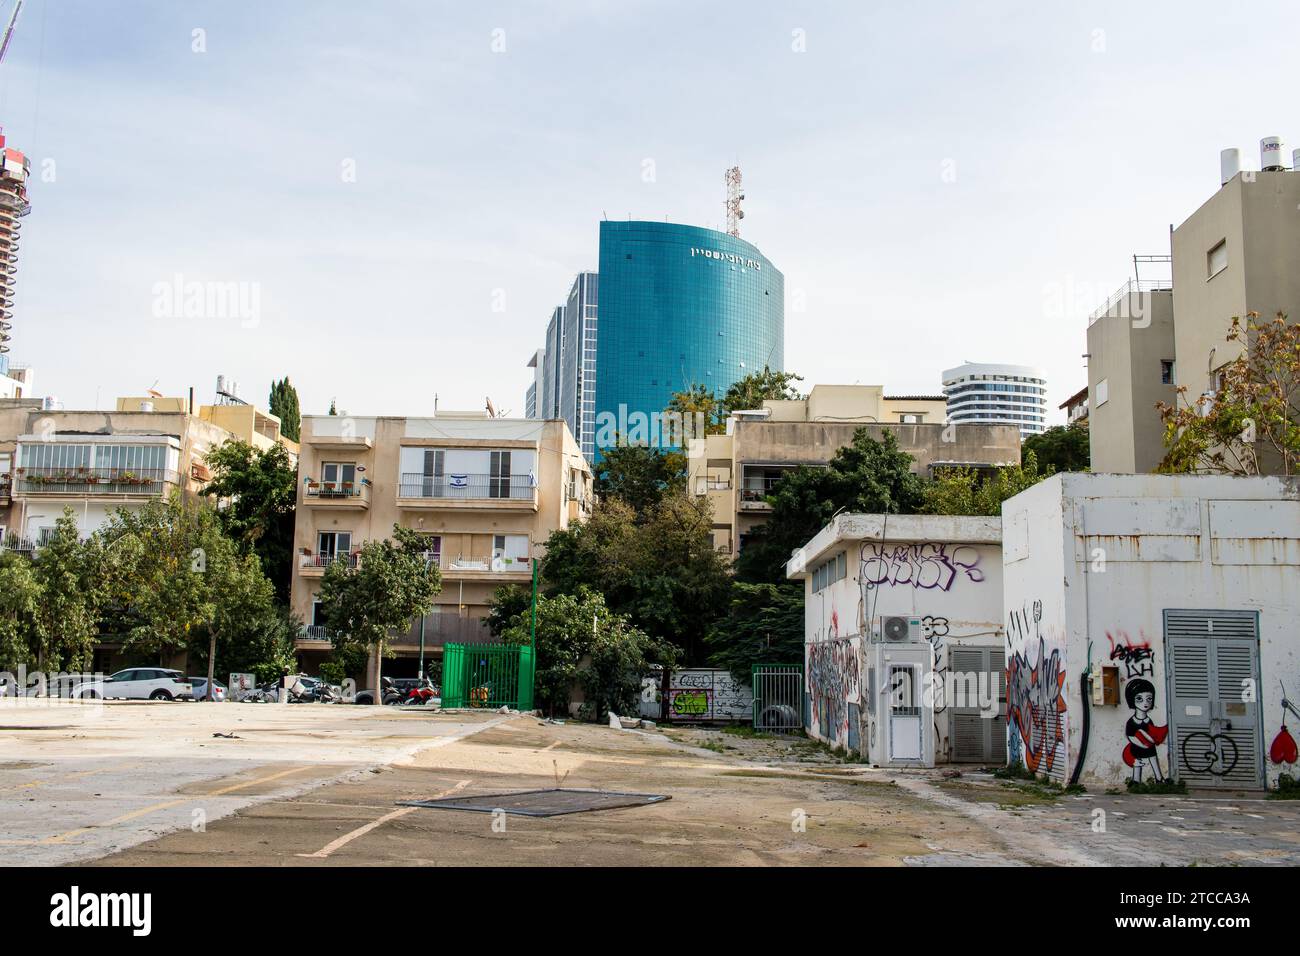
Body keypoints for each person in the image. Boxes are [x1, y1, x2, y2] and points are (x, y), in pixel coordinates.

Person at [1123, 678, 1167, 783]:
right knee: (1137, 763)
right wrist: (1143, 744)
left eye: (1149, 699)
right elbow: (1130, 736)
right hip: (1137, 747)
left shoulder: (1148, 720)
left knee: (1153, 759)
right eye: (1139, 699)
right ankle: (1136, 780)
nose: (1145, 702)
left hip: (1149, 746)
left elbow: (1151, 732)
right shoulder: (1131, 722)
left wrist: (1151, 741)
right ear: (1131, 699)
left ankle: (1159, 778)